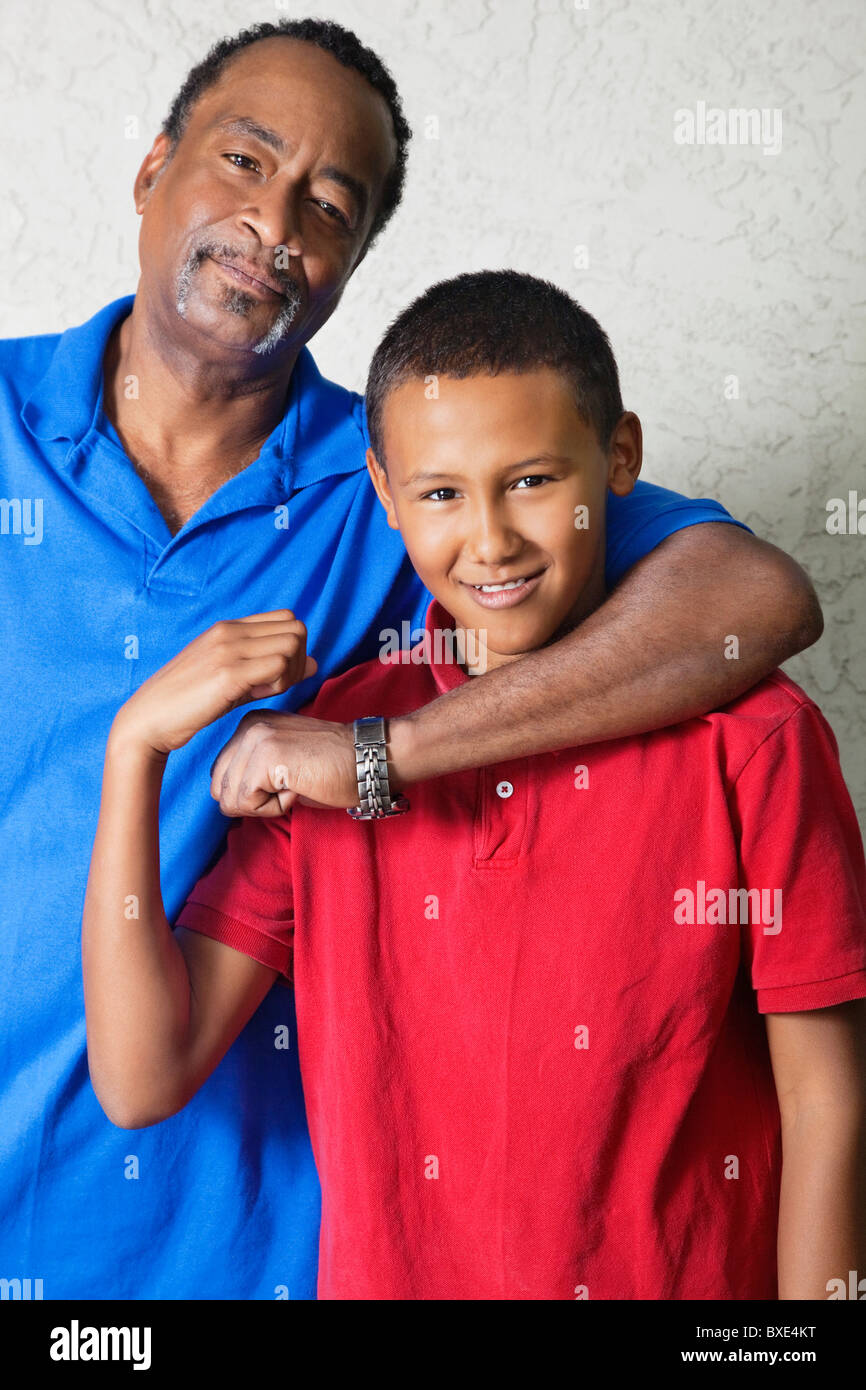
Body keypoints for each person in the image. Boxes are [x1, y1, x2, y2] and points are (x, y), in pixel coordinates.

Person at [0, 19, 821, 1302]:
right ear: (153, 166)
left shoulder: (406, 478)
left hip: (258, 1247)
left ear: (351, 263)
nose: (275, 223)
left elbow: (747, 598)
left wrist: (374, 759)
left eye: (330, 206)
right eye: (242, 159)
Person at [82, 270, 866, 1300]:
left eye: (532, 480)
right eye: (442, 493)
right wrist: (134, 753)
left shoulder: (752, 740)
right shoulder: (322, 744)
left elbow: (827, 1103)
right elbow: (144, 1077)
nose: (489, 539)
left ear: (617, 458)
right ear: (381, 491)